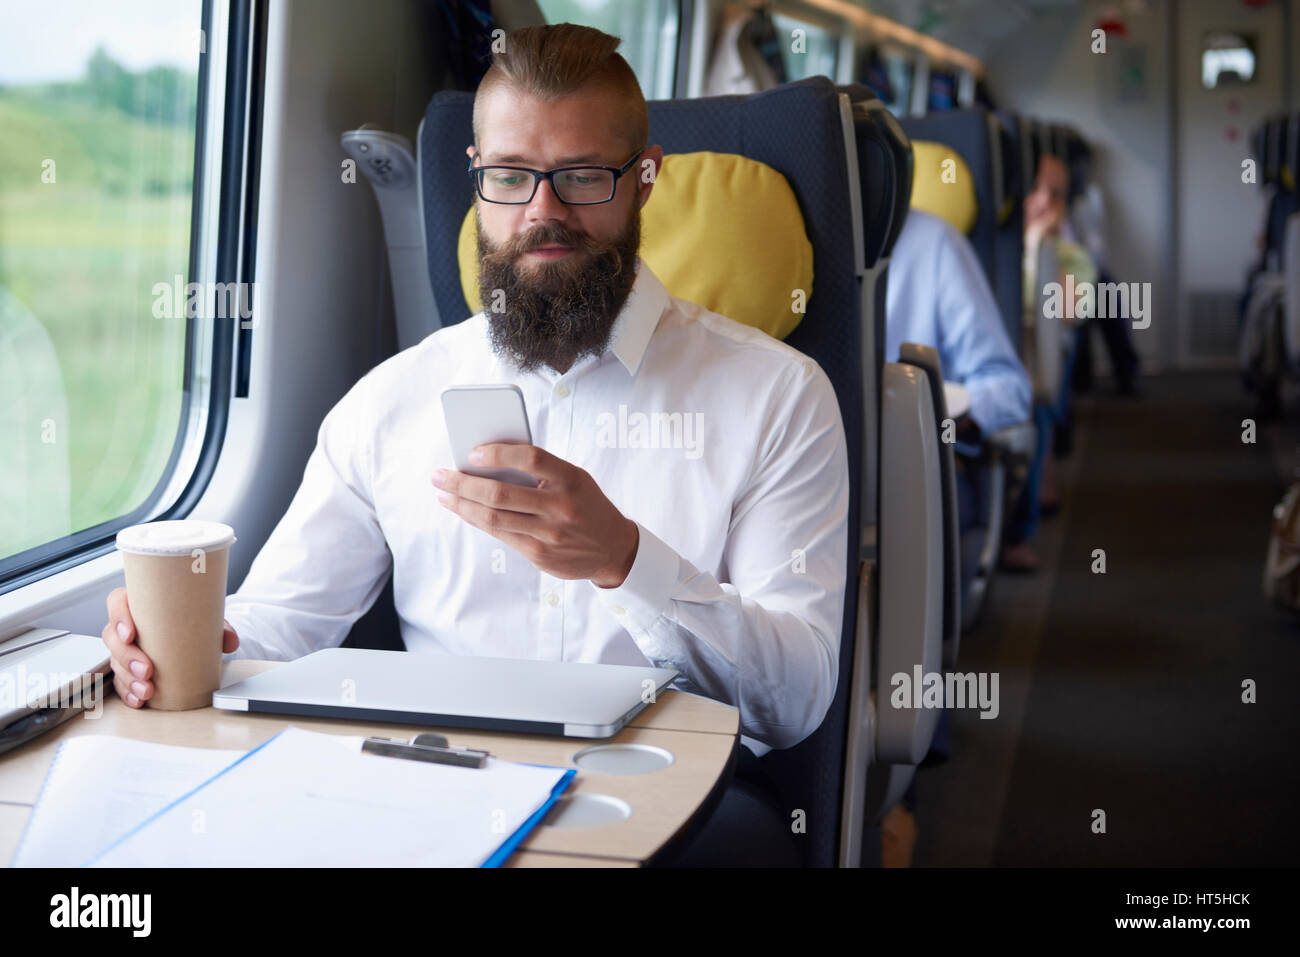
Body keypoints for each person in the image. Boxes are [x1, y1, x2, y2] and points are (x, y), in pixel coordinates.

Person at [100, 23, 849, 866]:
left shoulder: (778, 395)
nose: (543, 212)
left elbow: (796, 700)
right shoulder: (389, 403)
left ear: (645, 182)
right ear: (476, 180)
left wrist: (627, 560)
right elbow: (282, 622)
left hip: (670, 791)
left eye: (582, 177)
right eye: (511, 177)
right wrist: (179, 642)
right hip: (430, 791)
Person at [1001, 152, 1095, 571]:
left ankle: (1020, 529)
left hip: (1035, 361)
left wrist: (1039, 252)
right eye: (1033, 188)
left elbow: (1067, 312)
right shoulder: (980, 245)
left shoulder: (1072, 257)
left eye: (1053, 195)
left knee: (1038, 399)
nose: (1041, 201)